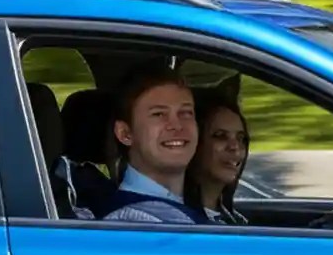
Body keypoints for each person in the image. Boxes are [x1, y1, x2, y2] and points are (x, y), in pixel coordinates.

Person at [101, 67, 209, 224]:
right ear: (125, 133)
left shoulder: (194, 205)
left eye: (186, 113)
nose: (177, 125)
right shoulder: (130, 221)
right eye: (159, 114)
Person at [185, 87, 250, 225]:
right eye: (220, 136)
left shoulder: (235, 220)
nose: (235, 147)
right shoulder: (177, 222)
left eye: (241, 138)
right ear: (196, 143)